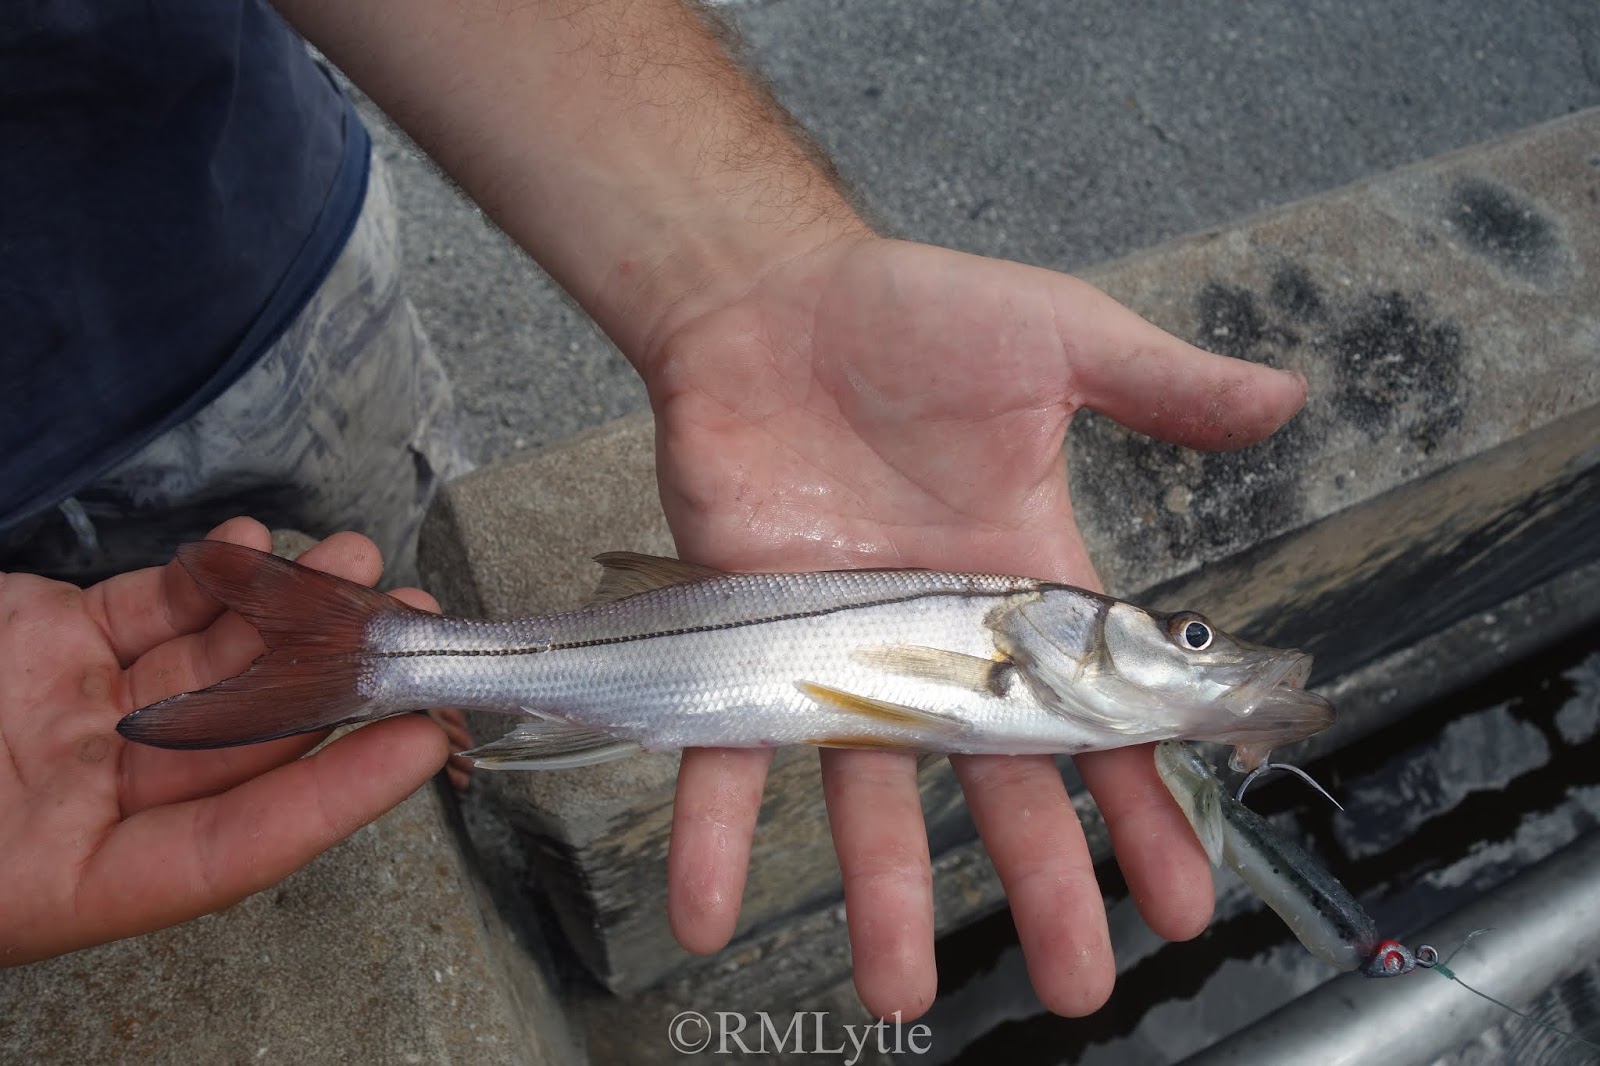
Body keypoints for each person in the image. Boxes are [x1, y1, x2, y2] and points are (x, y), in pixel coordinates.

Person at [0, 0, 1309, 1021]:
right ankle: (402, 672)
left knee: (387, 561)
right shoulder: (1022, 635)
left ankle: (403, 671)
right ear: (1081, 636)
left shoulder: (1031, 649)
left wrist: (766, 269)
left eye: (1194, 643)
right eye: (1186, 638)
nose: (1201, 653)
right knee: (384, 601)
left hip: (240, 281)